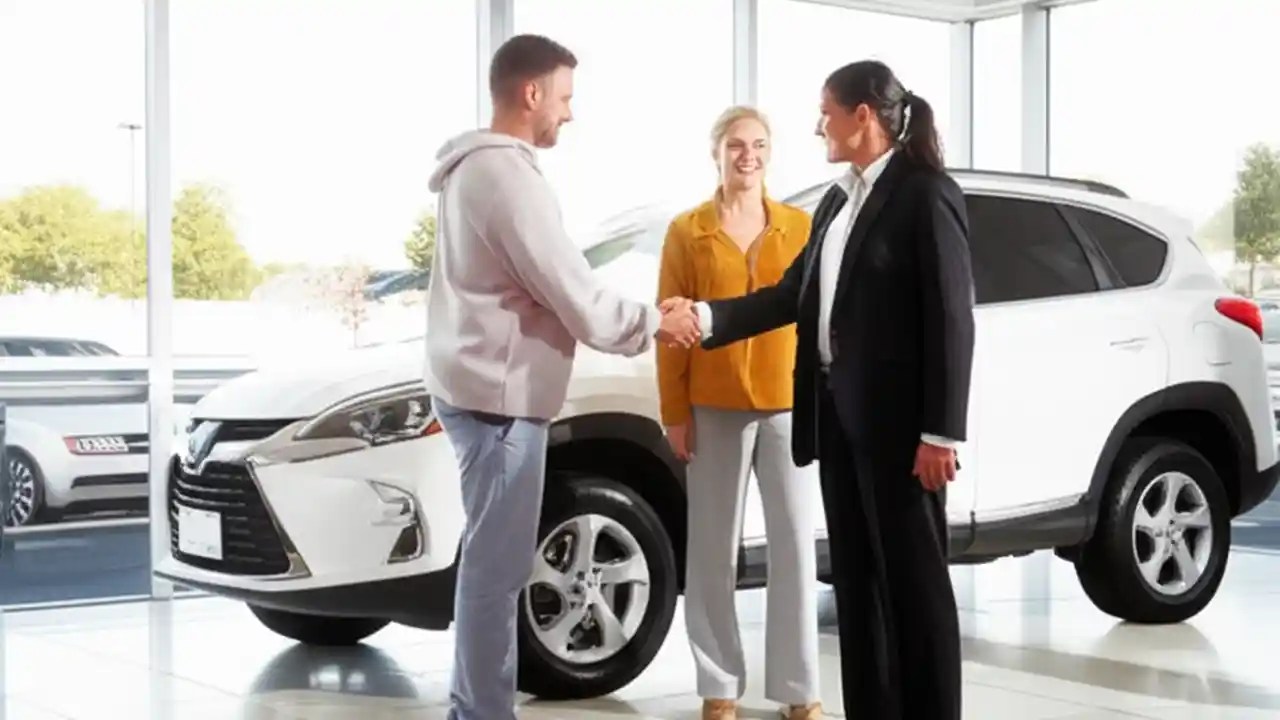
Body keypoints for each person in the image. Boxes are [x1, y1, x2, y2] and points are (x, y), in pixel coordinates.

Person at [666, 60, 975, 719]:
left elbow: (951, 317)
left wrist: (940, 431)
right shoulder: (837, 200)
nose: (818, 126)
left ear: (864, 116)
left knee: (915, 591)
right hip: (837, 422)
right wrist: (708, 317)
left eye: (826, 113)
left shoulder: (925, 193)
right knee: (859, 585)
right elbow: (789, 296)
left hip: (902, 434)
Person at [423, 33, 701, 720]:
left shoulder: (470, 171)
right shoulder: (507, 178)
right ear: (531, 94)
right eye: (566, 97)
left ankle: (475, 707)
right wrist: (652, 323)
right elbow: (570, 290)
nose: (569, 114)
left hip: (480, 390)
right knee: (497, 573)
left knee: (492, 567)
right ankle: (482, 713)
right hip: (500, 401)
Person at [655, 106, 823, 720]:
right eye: (735, 145)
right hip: (712, 407)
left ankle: (800, 693)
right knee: (712, 552)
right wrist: (675, 410)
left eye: (757, 145)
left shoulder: (801, 227)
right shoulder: (686, 231)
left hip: (786, 407)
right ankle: (718, 686)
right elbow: (669, 327)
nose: (746, 155)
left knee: (795, 549)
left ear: (770, 153)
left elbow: (817, 320)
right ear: (716, 153)